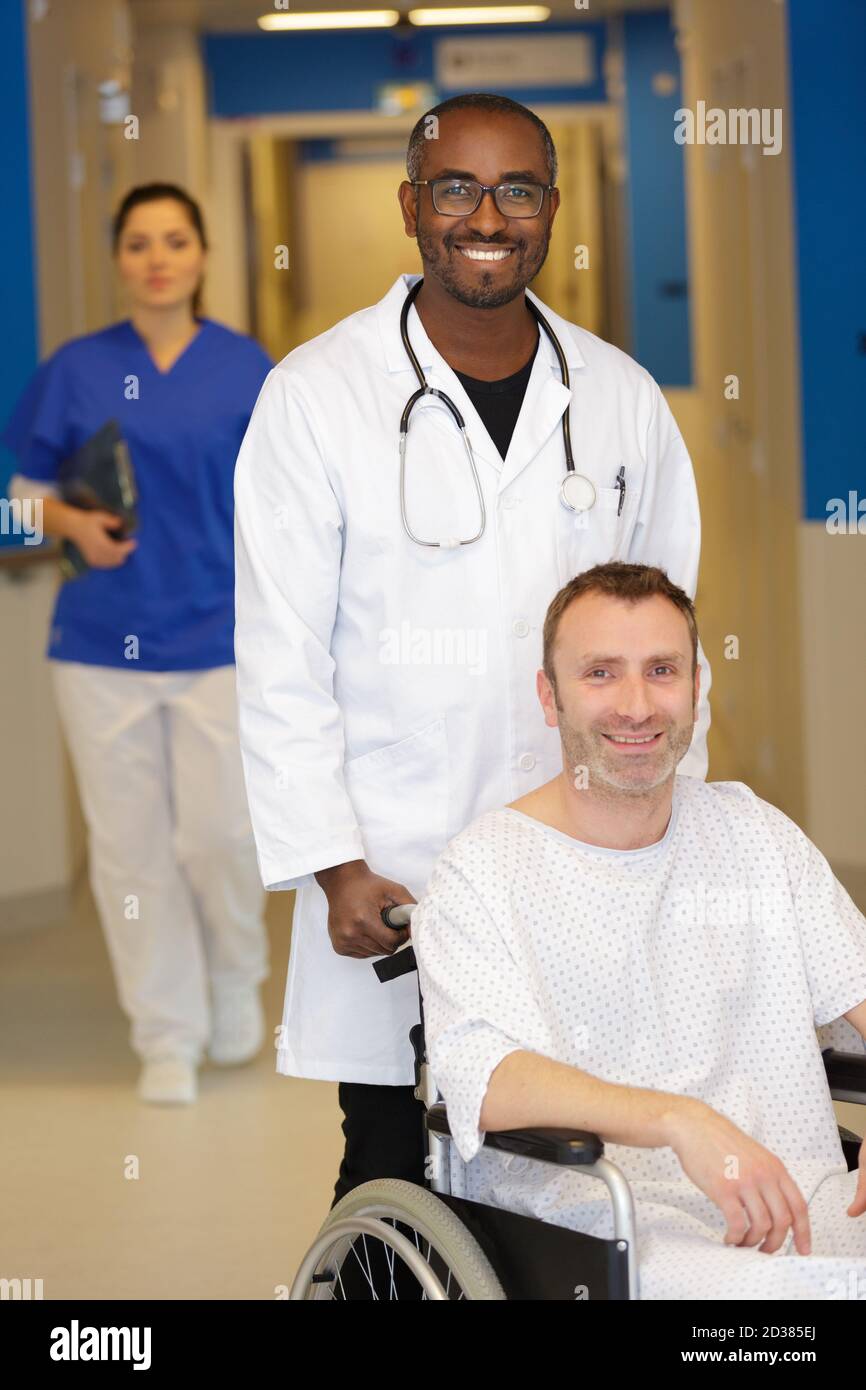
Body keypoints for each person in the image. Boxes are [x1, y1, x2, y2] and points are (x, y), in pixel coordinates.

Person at [233, 93, 712, 1204]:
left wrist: (678, 823)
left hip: (586, 858)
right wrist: (333, 860)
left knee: (577, 1172)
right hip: (401, 867)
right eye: (454, 187)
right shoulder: (315, 397)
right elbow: (280, 653)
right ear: (411, 206)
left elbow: (671, 641)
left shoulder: (620, 397)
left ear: (551, 210)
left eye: (515, 189)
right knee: (398, 1167)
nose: (484, 214)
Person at [412, 562, 866, 1300]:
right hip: (606, 1224)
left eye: (662, 671)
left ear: (696, 687)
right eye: (600, 673)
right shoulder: (484, 869)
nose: (636, 705)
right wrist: (677, 1120)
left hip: (798, 1204)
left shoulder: (753, 834)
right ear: (548, 696)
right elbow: (484, 1077)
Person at [2, 183, 272, 1105]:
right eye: (139, 244)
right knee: (128, 849)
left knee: (220, 836)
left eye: (176, 240)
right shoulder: (75, 369)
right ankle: (166, 1031)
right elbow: (17, 495)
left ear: (201, 256)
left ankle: (236, 982)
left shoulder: (248, 370)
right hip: (98, 647)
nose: (158, 258)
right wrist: (70, 524)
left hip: (219, 639)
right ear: (118, 260)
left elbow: (292, 508)